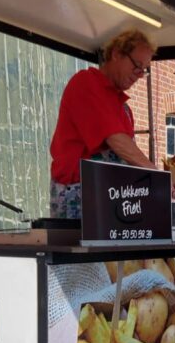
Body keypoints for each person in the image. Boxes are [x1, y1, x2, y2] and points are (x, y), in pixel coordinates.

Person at [49, 28, 157, 219]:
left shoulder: (123, 108)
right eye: (137, 66)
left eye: (144, 70)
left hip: (112, 196)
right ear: (116, 54)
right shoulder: (86, 83)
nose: (139, 75)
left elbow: (127, 158)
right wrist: (155, 175)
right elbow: (116, 140)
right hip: (78, 196)